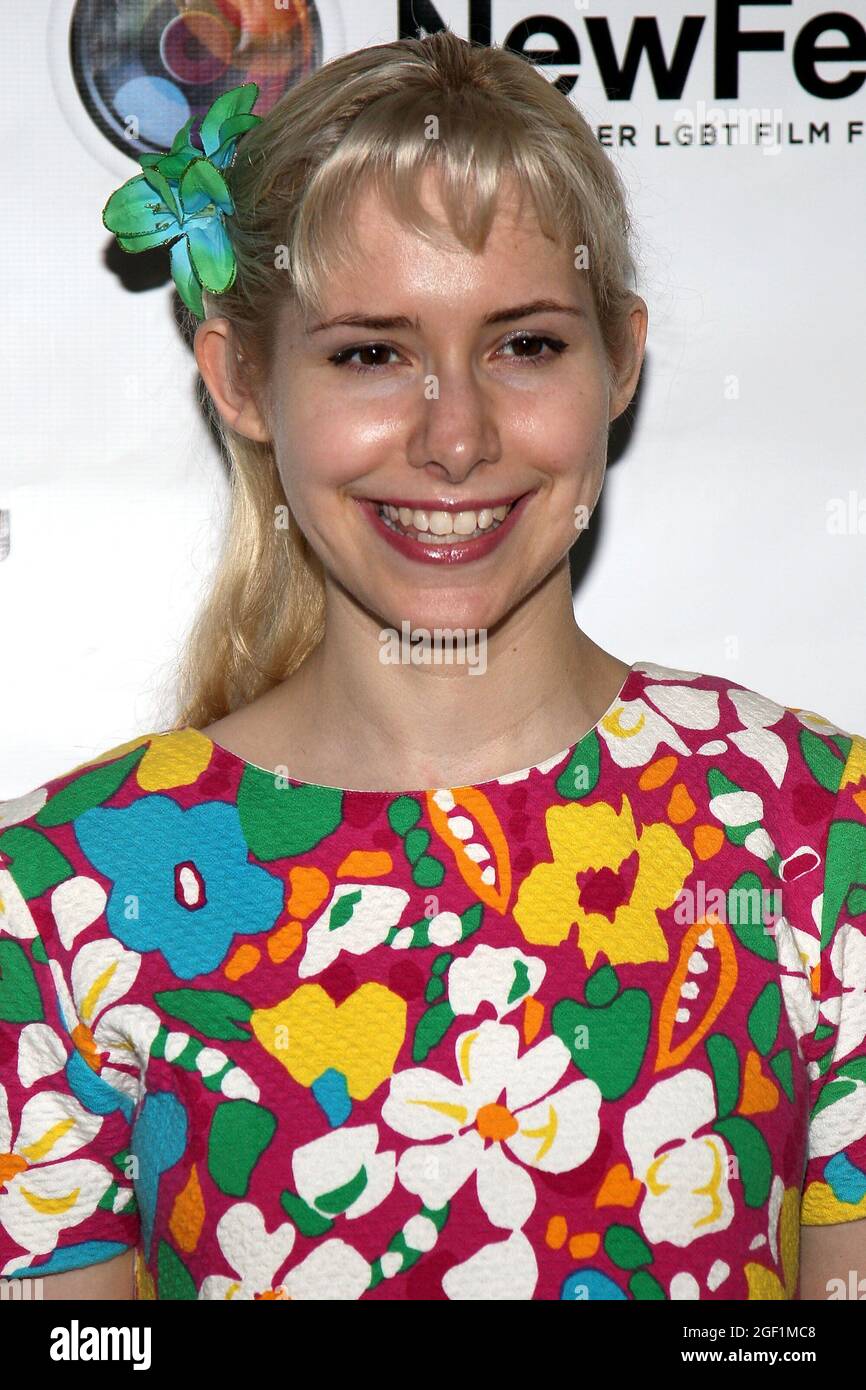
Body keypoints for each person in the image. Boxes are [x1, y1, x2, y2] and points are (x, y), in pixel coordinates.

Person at [1, 29, 864, 1303]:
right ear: (241, 377)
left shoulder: (810, 834)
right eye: (368, 352)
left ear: (618, 360)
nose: (453, 436)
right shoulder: (59, 904)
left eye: (522, 345)